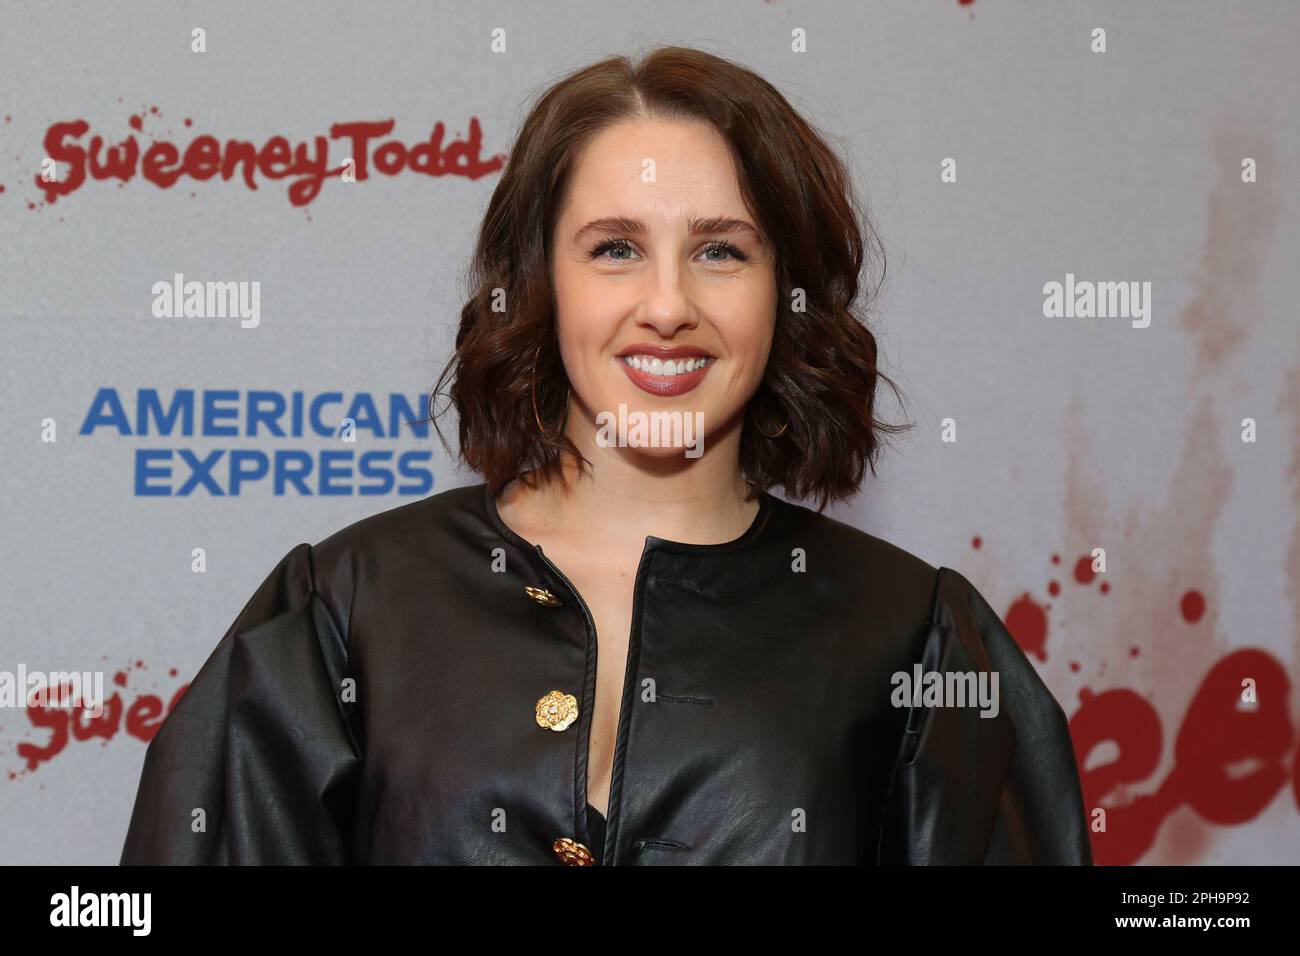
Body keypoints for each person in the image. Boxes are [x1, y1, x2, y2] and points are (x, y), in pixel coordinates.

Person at [119, 46, 1092, 866]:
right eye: (615, 248)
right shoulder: (342, 608)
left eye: (721, 250)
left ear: (786, 292)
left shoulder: (914, 634)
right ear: (539, 283)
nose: (667, 305)